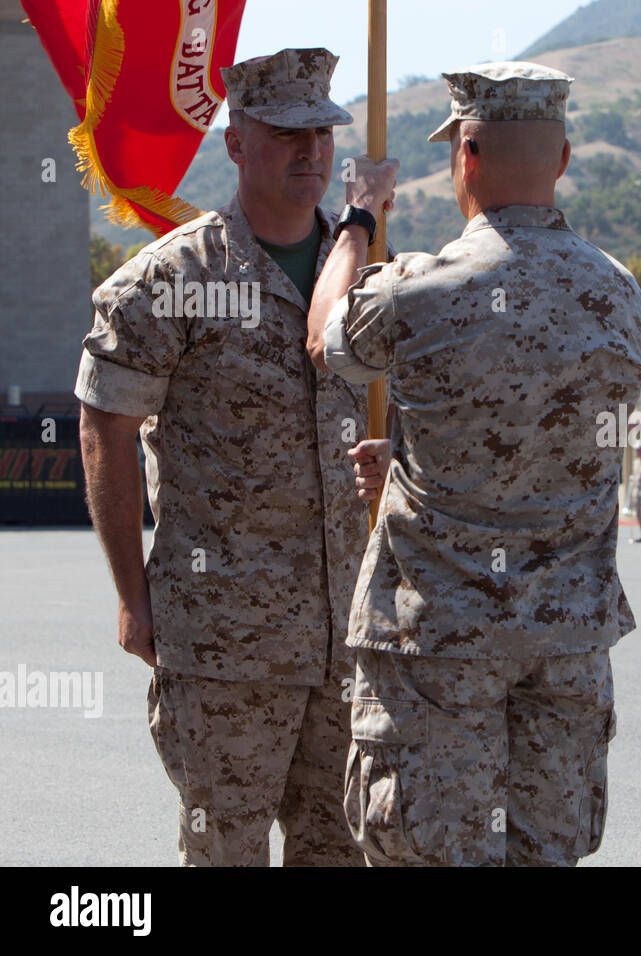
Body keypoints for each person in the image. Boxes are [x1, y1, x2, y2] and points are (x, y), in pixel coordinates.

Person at [308, 61, 641, 866]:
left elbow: (325, 338)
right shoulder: (620, 293)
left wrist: (358, 218)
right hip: (565, 640)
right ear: (562, 159)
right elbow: (549, 432)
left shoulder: (421, 288)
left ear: (466, 154)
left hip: (440, 641)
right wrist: (415, 458)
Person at [75, 49, 368, 866]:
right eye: (285, 134)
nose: (310, 151)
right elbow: (105, 428)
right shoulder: (174, 279)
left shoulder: (366, 279)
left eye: (321, 131)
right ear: (237, 143)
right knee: (224, 851)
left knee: (341, 848)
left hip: (349, 634)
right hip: (223, 637)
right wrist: (132, 596)